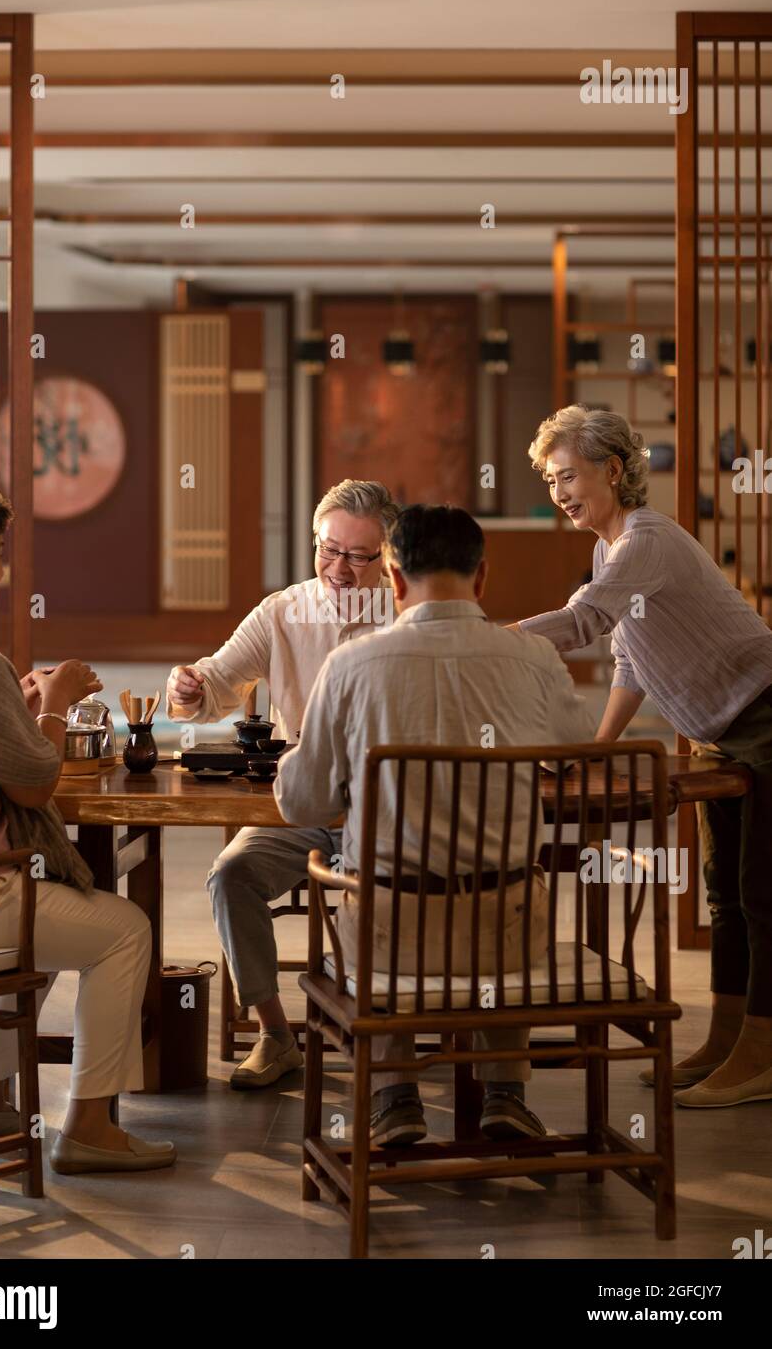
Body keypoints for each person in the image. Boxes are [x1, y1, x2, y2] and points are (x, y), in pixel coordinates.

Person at [274, 504, 597, 1146]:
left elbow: (302, 804)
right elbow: (575, 749)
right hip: (504, 934)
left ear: (393, 578)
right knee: (512, 882)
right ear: (482, 579)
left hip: (392, 933)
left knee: (368, 884)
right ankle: (505, 1091)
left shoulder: (351, 666)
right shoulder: (531, 657)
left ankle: (394, 1096)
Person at [0, 485, 175, 1173]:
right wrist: (53, 702)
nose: (6, 573)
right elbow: (33, 783)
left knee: (47, 907)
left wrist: (15, 708)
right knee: (119, 930)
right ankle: (88, 1126)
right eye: (0, 557)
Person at [517, 404, 772, 1110]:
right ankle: (727, 1040)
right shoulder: (610, 549)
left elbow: (586, 622)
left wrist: (496, 638)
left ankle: (762, 1052)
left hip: (767, 714)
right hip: (724, 730)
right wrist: (593, 751)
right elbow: (629, 658)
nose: (559, 492)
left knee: (762, 897)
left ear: (615, 469)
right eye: (549, 479)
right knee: (724, 898)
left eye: (568, 475)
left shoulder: (646, 542)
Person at [167, 479, 399, 1089]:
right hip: (301, 806)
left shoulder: (407, 615)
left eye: (357, 555)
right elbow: (214, 684)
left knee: (380, 892)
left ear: (388, 556)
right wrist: (189, 688)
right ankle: (276, 1033)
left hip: (388, 810)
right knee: (231, 874)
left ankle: (382, 1037)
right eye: (328, 550)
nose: (339, 568)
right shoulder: (283, 610)